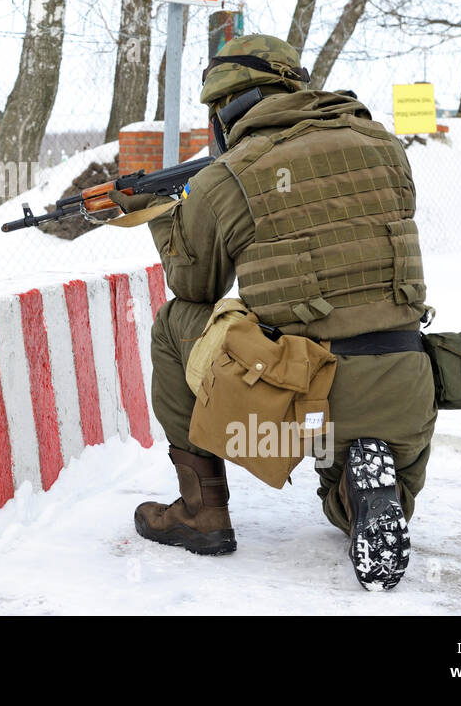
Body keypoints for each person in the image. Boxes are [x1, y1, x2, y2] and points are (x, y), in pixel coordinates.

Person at [111, 34, 437, 591]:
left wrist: (168, 215)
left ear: (228, 108)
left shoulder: (229, 175)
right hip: (406, 381)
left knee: (174, 323)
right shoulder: (386, 145)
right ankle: (365, 482)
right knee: (347, 503)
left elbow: (196, 285)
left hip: (299, 393)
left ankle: (201, 511)